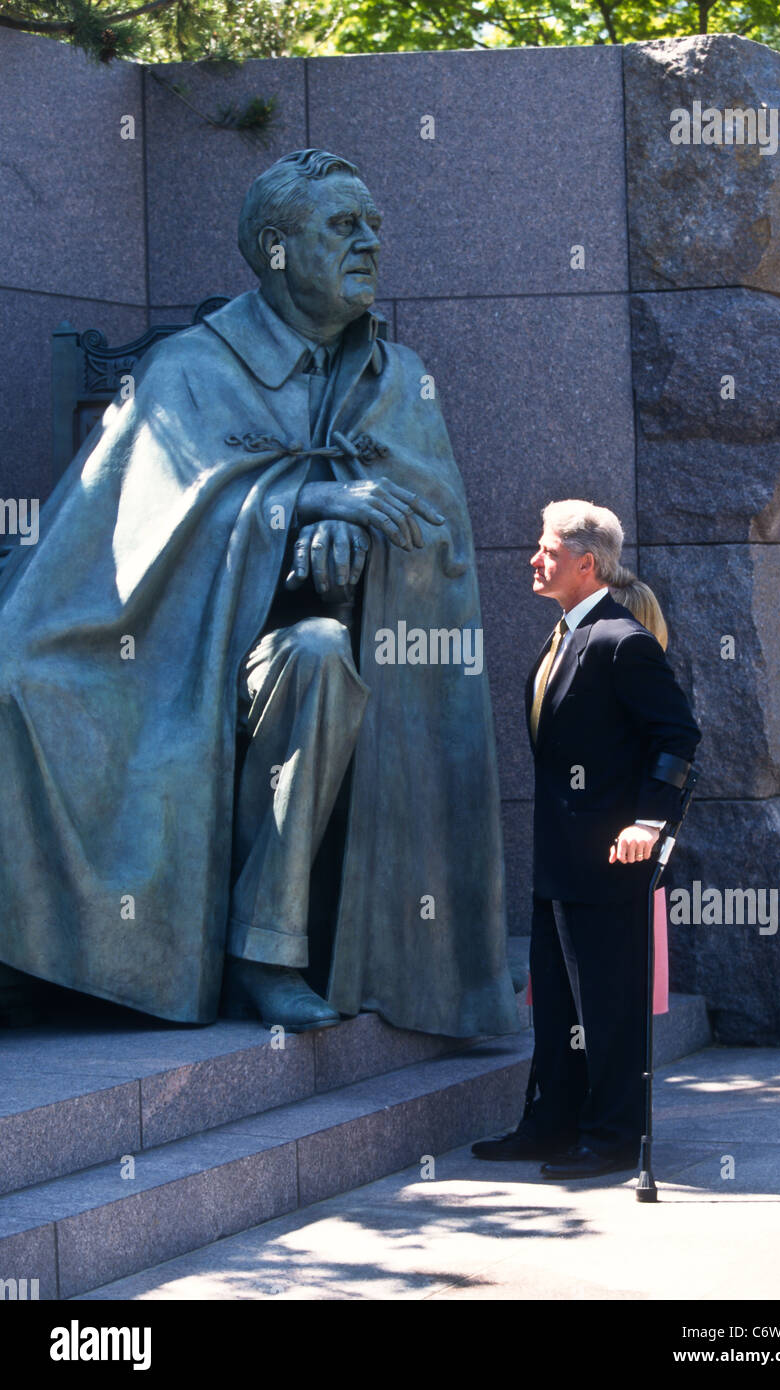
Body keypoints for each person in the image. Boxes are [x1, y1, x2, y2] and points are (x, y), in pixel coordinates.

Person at [0, 149, 519, 1041]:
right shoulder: (188, 370)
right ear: (276, 249)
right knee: (15, 681)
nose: (369, 244)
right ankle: (41, 954)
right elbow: (121, 532)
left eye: (374, 227)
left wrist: (354, 533)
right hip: (158, 648)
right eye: (342, 226)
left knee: (317, 658)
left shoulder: (395, 381)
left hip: (302, 647)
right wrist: (298, 504)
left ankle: (264, 951)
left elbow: (434, 531)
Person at [472, 500, 700, 1177]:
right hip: (560, 861)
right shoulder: (566, 634)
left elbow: (677, 735)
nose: (533, 559)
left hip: (609, 861)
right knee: (559, 1002)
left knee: (608, 1005)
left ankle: (612, 1138)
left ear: (585, 563)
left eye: (545, 549)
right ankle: (550, 1124)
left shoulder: (620, 640)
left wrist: (649, 822)